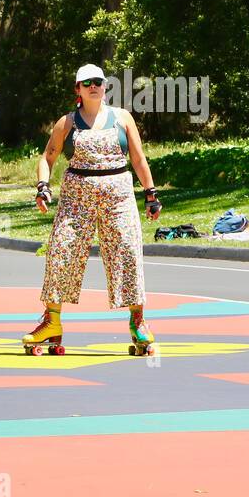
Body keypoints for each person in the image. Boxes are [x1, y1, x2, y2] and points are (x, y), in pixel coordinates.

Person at [24, 64, 163, 356]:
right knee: (61, 251)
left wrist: (150, 194)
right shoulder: (67, 123)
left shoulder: (122, 118)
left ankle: (138, 321)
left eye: (98, 82)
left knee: (127, 251)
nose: (93, 86)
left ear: (105, 86)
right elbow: (47, 159)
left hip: (118, 195)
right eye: (86, 83)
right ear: (77, 89)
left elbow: (138, 159)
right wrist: (43, 186)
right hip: (78, 196)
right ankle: (51, 321)